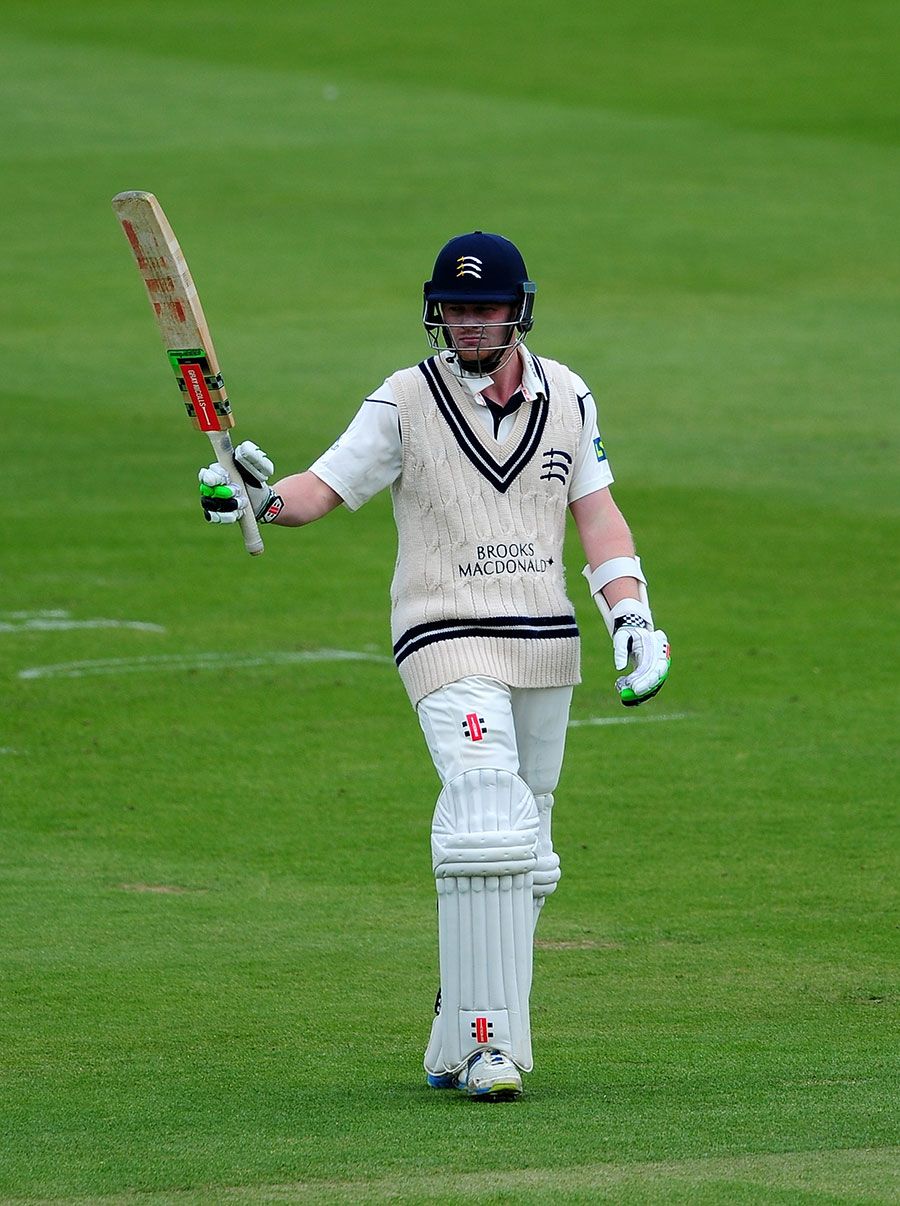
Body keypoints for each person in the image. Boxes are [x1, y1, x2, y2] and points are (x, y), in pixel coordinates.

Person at [198, 231, 671, 1101]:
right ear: (436, 312)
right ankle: (493, 1047)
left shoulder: (568, 394)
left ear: (517, 309)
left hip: (544, 640)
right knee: (486, 813)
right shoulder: (403, 401)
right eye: (455, 310)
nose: (469, 325)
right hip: (444, 633)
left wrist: (632, 613)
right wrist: (253, 492)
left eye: (484, 309)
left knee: (530, 858)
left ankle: (457, 1028)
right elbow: (320, 491)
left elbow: (598, 516)